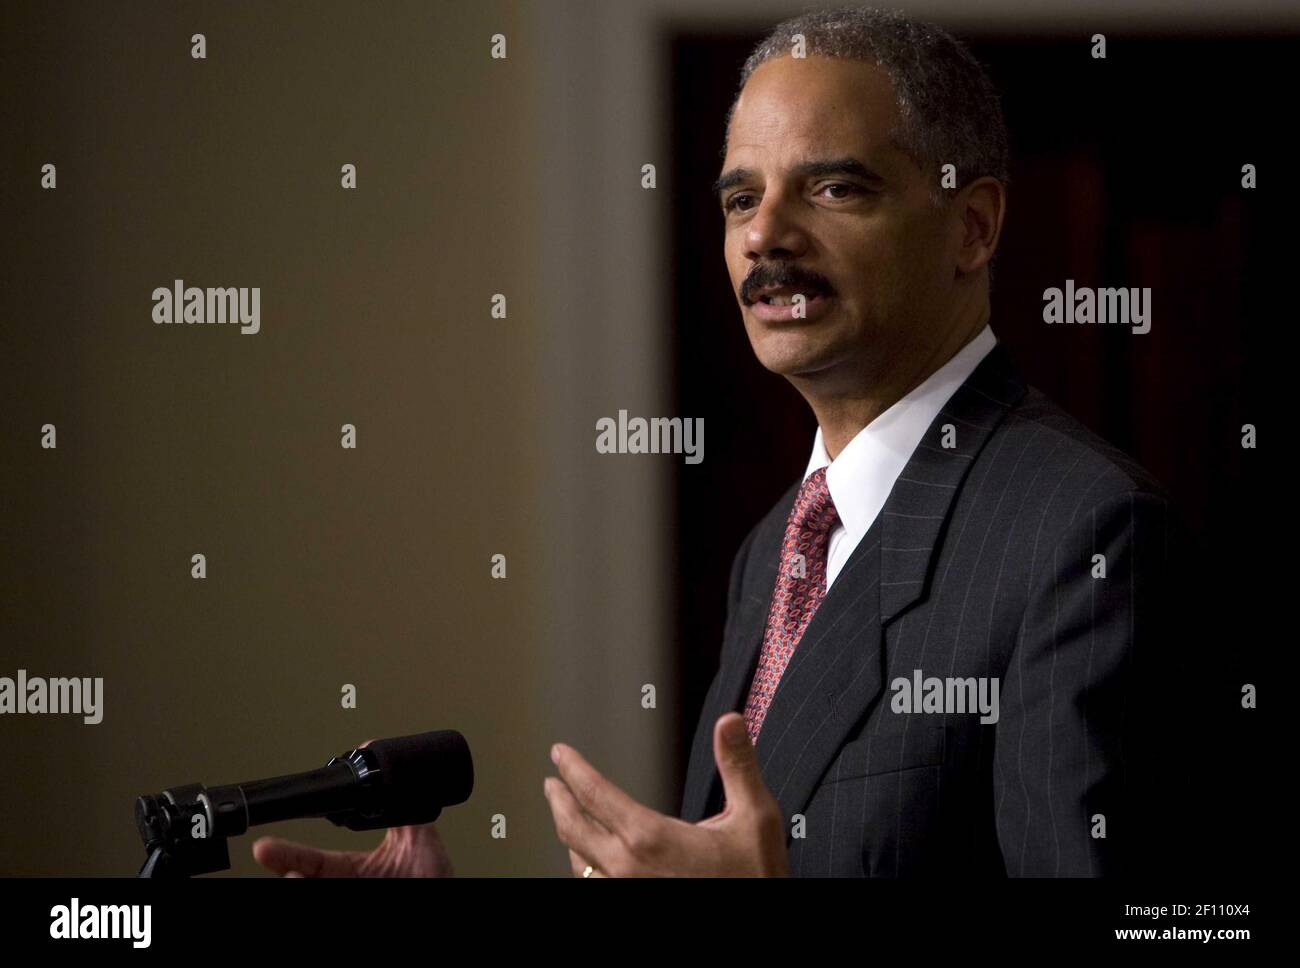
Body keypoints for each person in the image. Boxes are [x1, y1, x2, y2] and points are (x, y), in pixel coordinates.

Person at [254, 6, 1186, 879]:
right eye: (742, 200)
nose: (766, 236)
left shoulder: (1087, 534)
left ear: (972, 227)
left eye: (833, 186)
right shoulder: (776, 549)